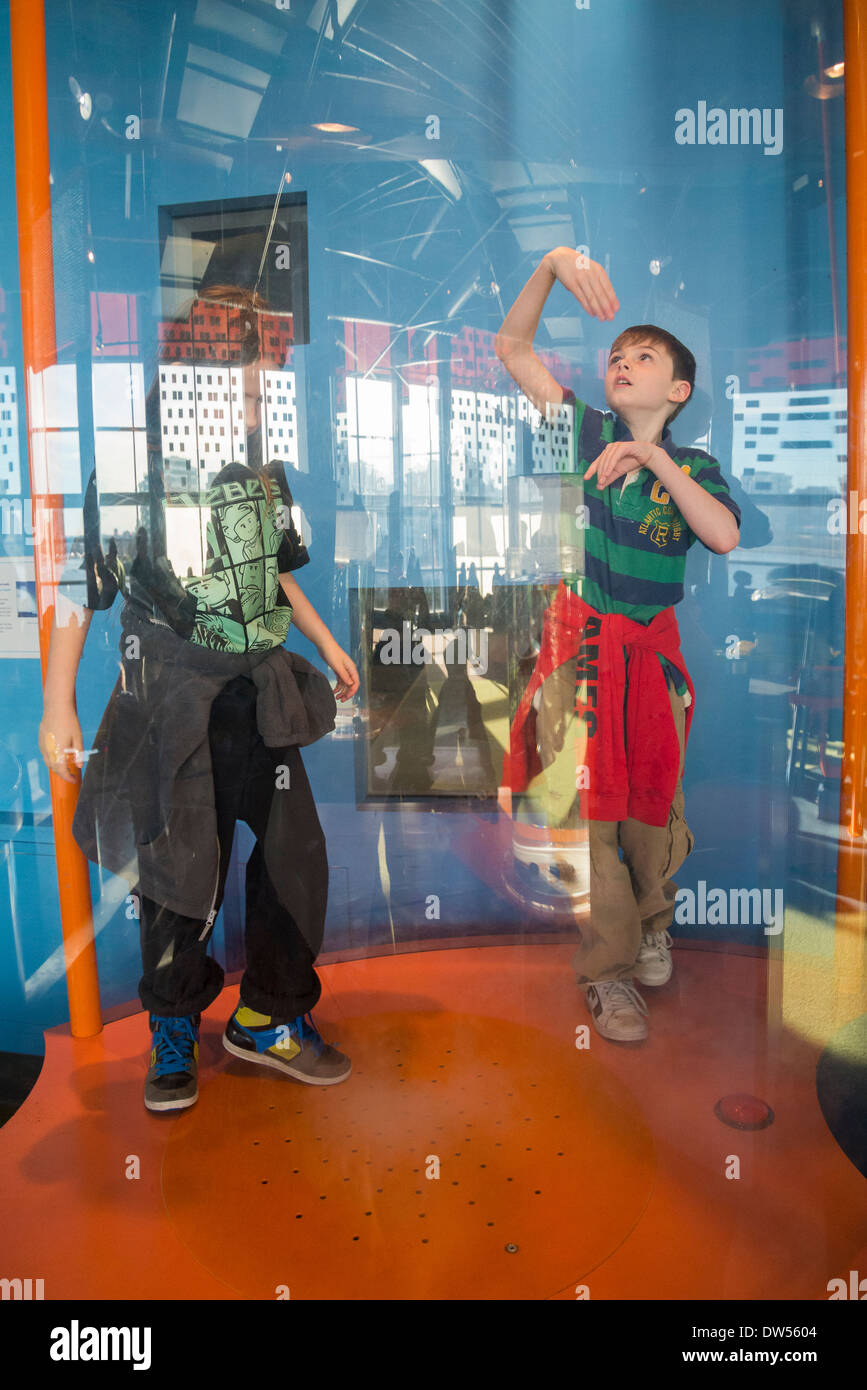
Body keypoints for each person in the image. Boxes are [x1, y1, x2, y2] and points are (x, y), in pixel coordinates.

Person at [38, 284, 359, 1110]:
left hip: (263, 698)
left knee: (295, 861)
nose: (260, 387)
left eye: (263, 372)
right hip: (172, 706)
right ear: (201, 367)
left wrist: (323, 643)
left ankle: (268, 1018)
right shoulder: (127, 470)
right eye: (251, 368)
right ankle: (173, 1028)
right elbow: (79, 586)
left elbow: (275, 571)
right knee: (180, 874)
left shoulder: (263, 466)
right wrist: (57, 705)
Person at [496, 247, 741, 1042]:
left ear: (677, 390)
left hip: (654, 662)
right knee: (593, 818)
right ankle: (607, 972)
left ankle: (653, 924)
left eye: (643, 357)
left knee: (651, 810)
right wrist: (549, 265)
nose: (621, 363)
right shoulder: (582, 432)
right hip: (588, 657)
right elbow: (512, 350)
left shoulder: (693, 465)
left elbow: (724, 536)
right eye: (614, 355)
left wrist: (653, 457)